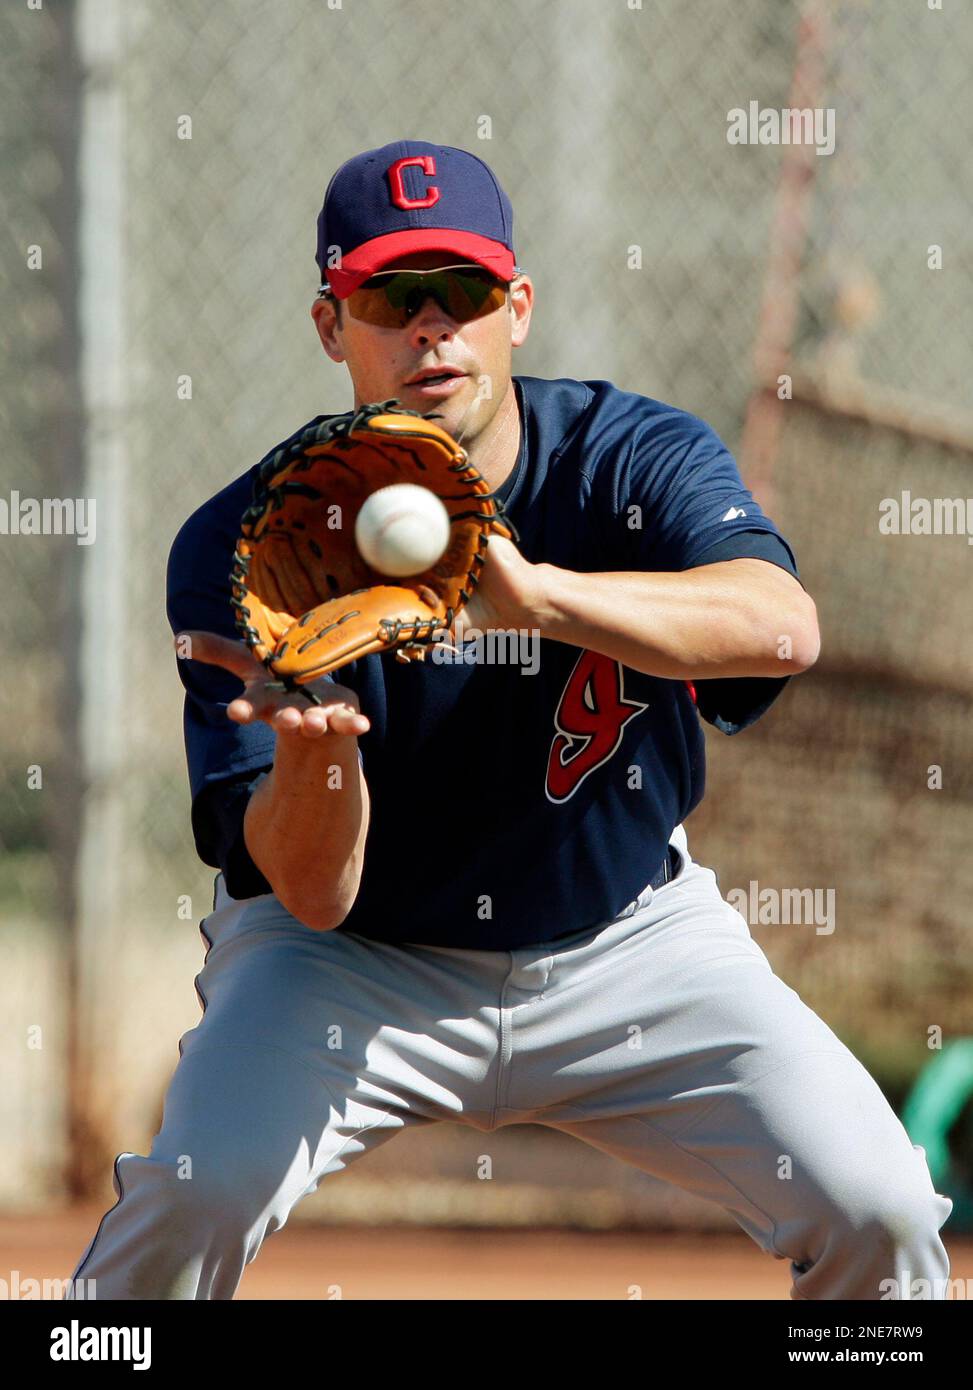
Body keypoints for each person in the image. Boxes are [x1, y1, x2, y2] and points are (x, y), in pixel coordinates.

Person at [67, 140, 951, 1300]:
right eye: (391, 297)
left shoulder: (627, 461)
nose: (432, 329)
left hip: (630, 944)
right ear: (334, 327)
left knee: (880, 1210)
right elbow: (311, 893)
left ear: (517, 308)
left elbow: (783, 628)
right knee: (195, 1193)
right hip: (346, 966)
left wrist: (541, 600)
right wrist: (318, 761)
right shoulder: (245, 547)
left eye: (465, 293)